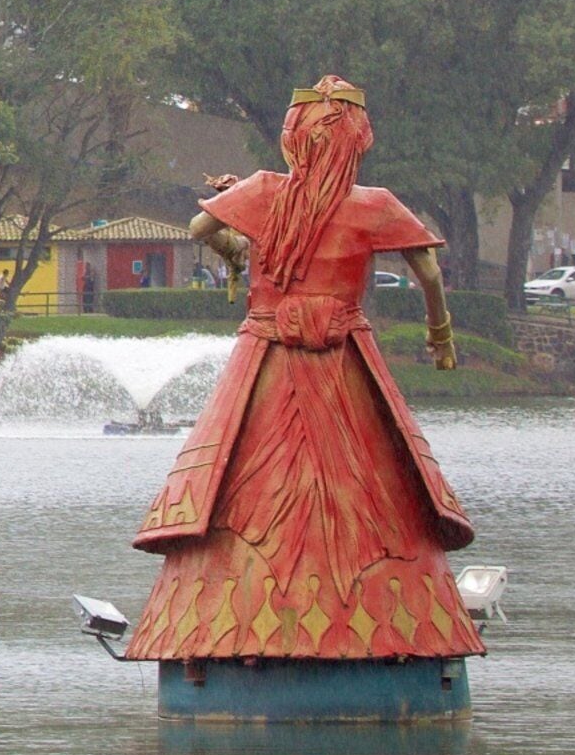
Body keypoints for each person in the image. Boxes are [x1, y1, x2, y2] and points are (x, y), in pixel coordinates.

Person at [124, 77, 478, 687]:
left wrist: (241, 248)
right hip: (343, 358)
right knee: (368, 482)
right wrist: (440, 336)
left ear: (293, 137)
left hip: (267, 357)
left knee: (247, 477)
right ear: (358, 141)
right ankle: (389, 630)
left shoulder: (264, 192)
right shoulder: (375, 205)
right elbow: (430, 273)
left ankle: (224, 631)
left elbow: (197, 230)